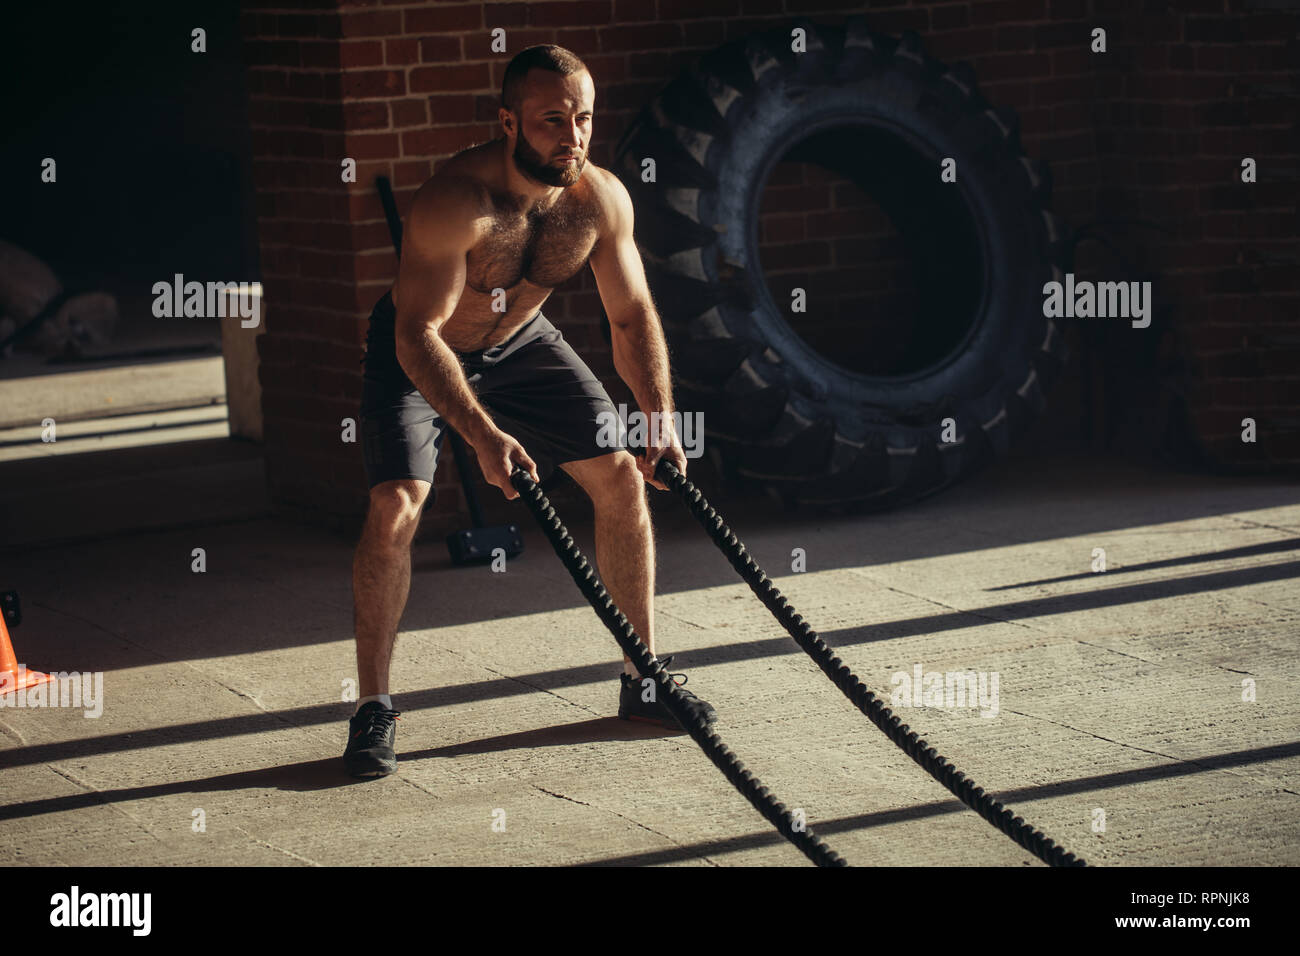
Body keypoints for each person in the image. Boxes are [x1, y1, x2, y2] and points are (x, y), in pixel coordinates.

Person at [344, 45, 716, 778]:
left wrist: (657, 418)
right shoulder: (456, 204)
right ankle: (373, 709)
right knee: (394, 508)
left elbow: (633, 314)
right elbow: (416, 333)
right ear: (509, 122)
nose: (571, 135)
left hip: (521, 344)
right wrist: (482, 436)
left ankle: (642, 681)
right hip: (419, 349)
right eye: (552, 120)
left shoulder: (598, 201)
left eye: (582, 118)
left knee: (621, 477)